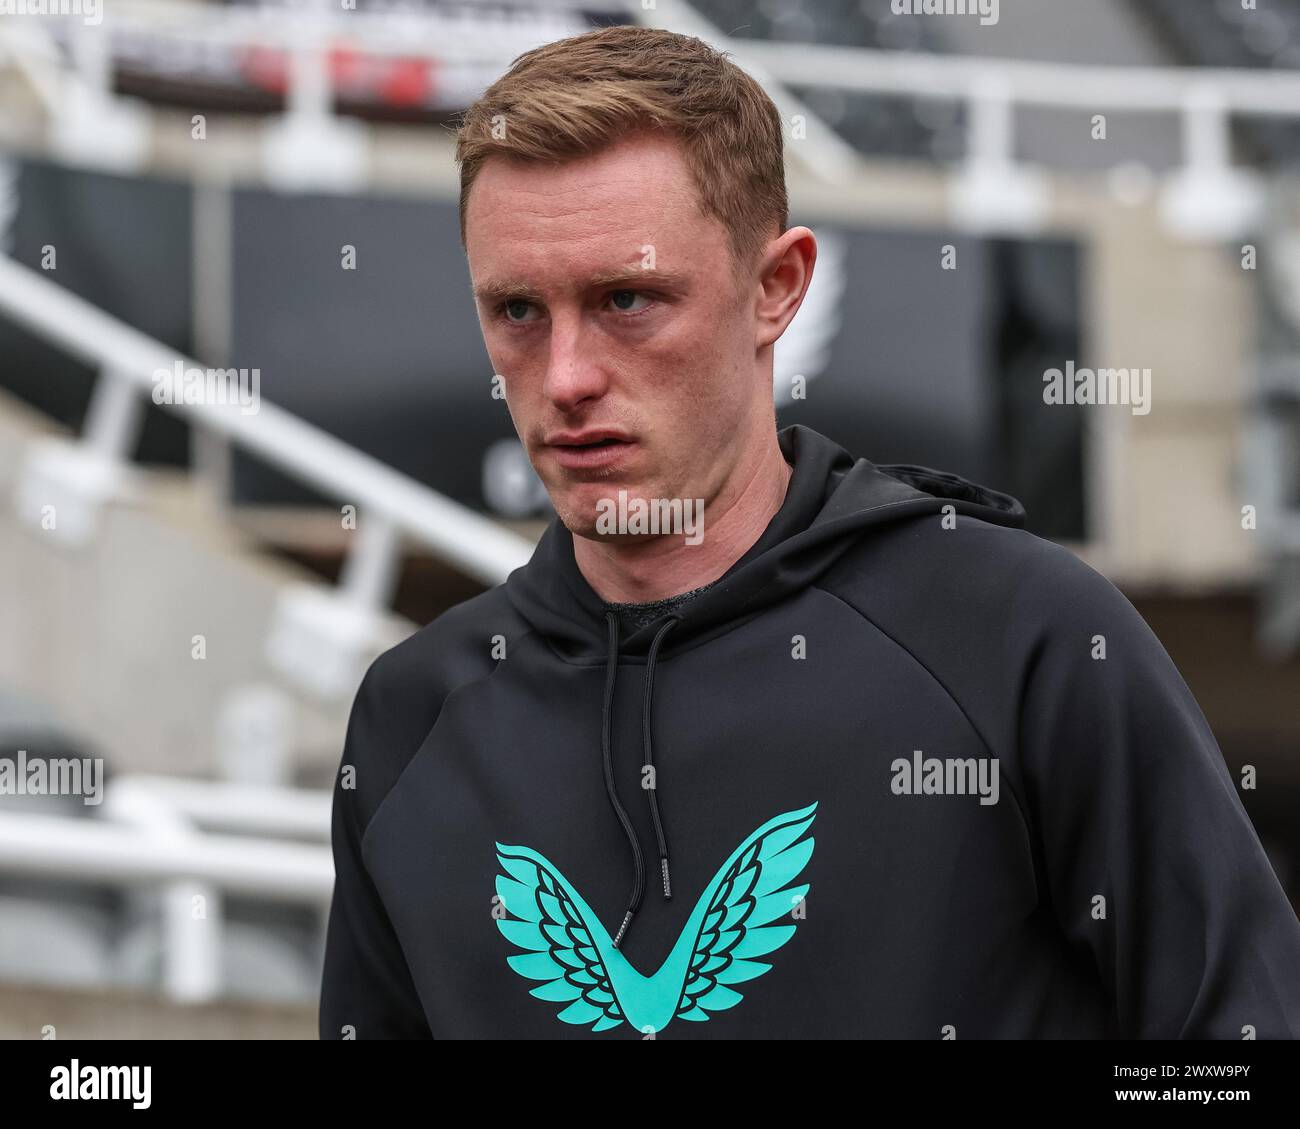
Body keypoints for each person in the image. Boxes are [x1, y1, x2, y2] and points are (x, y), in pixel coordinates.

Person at [319, 25, 1300, 1039]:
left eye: (627, 300)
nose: (565, 376)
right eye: (519, 310)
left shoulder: (1019, 636)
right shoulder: (412, 721)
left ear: (775, 288)